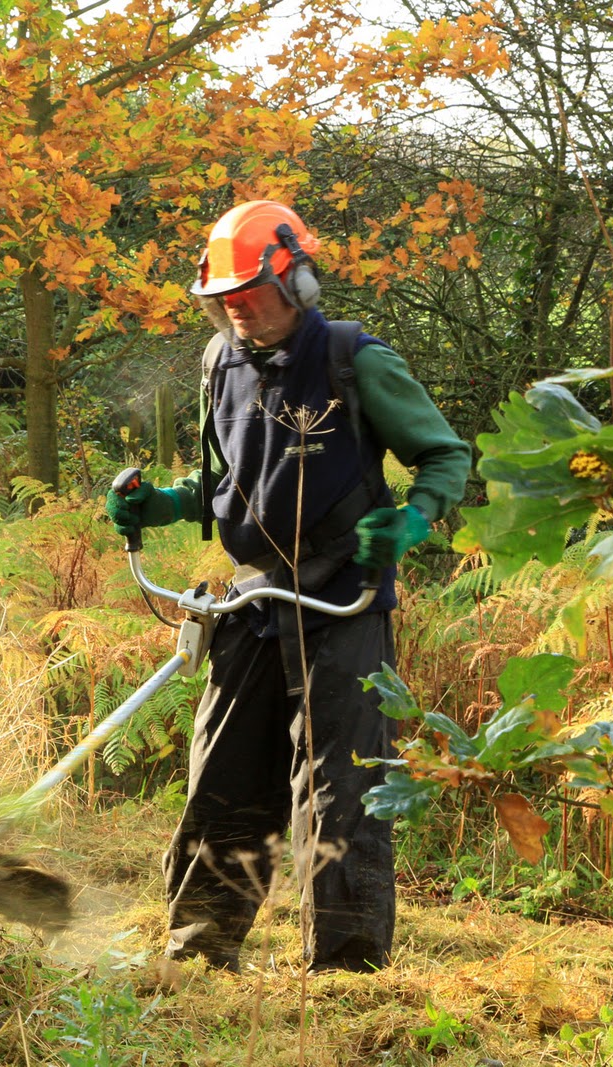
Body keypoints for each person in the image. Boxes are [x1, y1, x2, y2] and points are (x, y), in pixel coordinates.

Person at [105, 200, 470, 973]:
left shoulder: (354, 359)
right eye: (223, 298)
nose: (235, 309)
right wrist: (162, 503)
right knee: (223, 774)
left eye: (249, 294)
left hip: (343, 598)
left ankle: (345, 975)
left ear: (297, 280)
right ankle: (199, 954)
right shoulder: (219, 363)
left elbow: (445, 456)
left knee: (343, 792)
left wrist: (410, 522)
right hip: (253, 597)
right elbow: (226, 483)